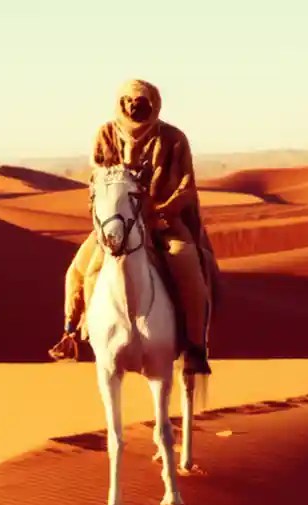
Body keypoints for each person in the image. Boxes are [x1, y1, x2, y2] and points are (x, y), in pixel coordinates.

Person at [48, 78, 219, 373]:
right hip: (118, 223)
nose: (134, 106)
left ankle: (194, 347)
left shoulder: (173, 138)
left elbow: (186, 186)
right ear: (120, 103)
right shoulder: (106, 134)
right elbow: (98, 180)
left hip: (163, 221)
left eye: (141, 101)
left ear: (153, 103)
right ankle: (73, 333)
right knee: (80, 270)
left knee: (187, 263)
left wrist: (161, 210)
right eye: (128, 100)